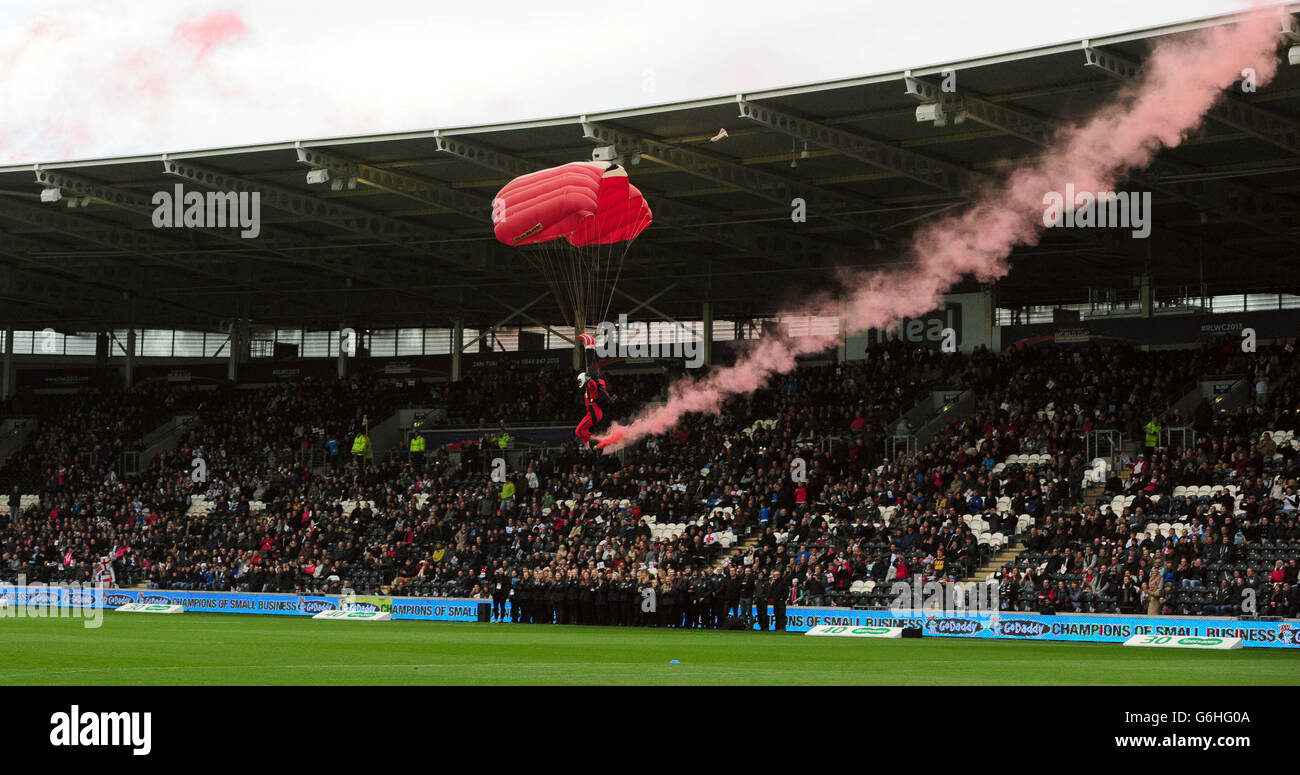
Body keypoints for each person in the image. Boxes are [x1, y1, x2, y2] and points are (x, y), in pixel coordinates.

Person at [575, 372, 612, 450]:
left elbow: (593, 385)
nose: (579, 383)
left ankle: (598, 439)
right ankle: (588, 448)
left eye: (580, 381)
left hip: (594, 412)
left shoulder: (591, 386)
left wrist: (589, 380)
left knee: (579, 430)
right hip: (591, 412)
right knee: (579, 431)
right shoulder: (587, 389)